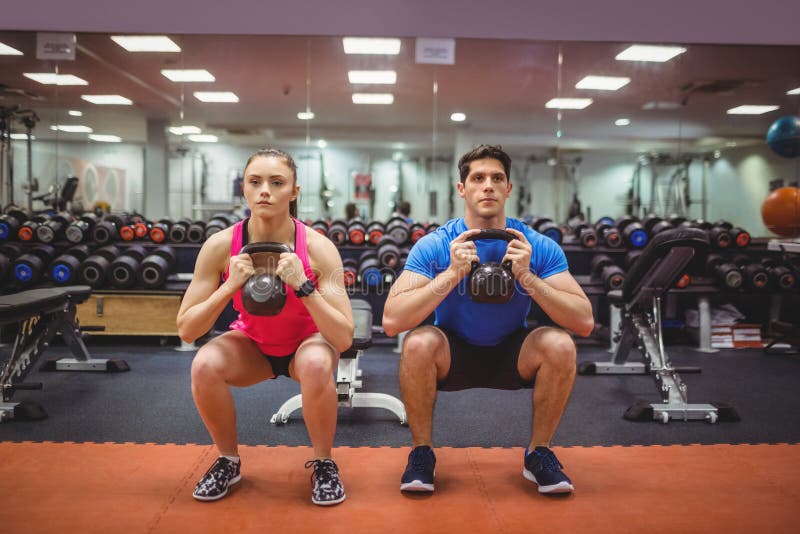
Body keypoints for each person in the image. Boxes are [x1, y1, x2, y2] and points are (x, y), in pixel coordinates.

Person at [382, 144, 594, 495]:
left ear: (509, 188)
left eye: (497, 178)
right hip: (453, 351)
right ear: (462, 189)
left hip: (512, 351)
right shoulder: (437, 244)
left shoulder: (535, 245)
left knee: (560, 343)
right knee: (417, 341)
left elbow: (584, 321)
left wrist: (528, 277)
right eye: (477, 178)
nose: (488, 186)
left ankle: (538, 453)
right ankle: (422, 454)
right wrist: (451, 274)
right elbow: (391, 320)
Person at [177, 148, 354, 506]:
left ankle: (324, 462)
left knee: (319, 364)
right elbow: (187, 330)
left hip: (306, 343)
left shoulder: (319, 249)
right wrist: (229, 285)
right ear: (243, 188)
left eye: (277, 183)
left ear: (294, 191)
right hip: (252, 346)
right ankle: (228, 460)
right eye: (255, 182)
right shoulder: (221, 246)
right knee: (204, 364)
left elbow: (343, 337)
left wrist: (303, 285)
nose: (265, 191)